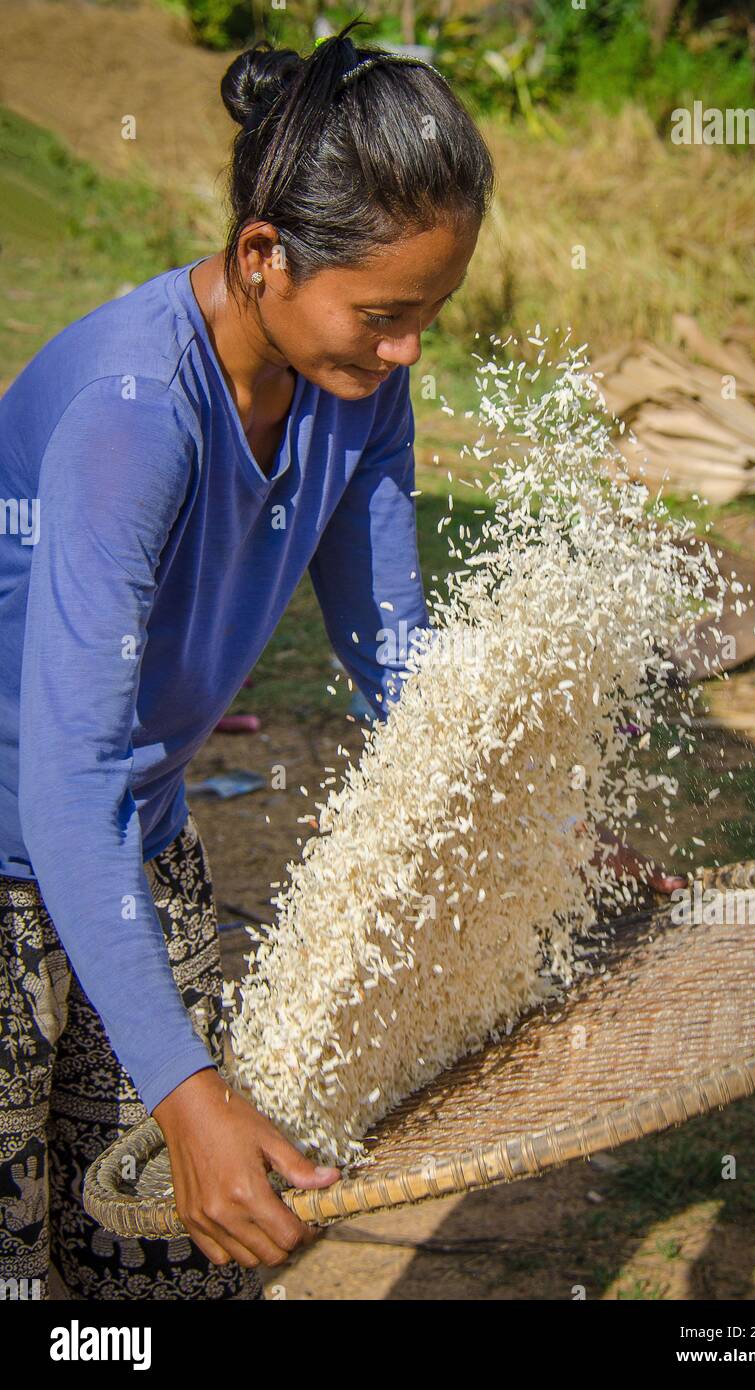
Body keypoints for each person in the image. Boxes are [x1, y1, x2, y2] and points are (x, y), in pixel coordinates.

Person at [0, 19, 495, 1300]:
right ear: (264, 254)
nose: (407, 350)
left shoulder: (356, 387)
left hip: (137, 834)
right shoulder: (135, 417)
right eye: (385, 314)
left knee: (163, 1266)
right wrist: (186, 1086)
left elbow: (393, 656)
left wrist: (533, 815)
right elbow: (64, 777)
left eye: (430, 315)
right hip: (34, 834)